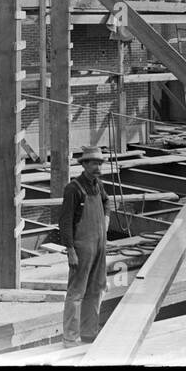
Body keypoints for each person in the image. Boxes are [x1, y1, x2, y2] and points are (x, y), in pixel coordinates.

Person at [58, 145, 112, 346]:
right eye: (94, 163)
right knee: (76, 293)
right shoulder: (74, 188)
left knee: (96, 288)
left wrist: (106, 220)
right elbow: (64, 222)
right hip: (82, 247)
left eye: (99, 163)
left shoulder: (98, 184)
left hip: (99, 246)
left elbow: (106, 203)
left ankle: (89, 333)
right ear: (85, 164)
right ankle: (70, 337)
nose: (98, 167)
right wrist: (70, 250)